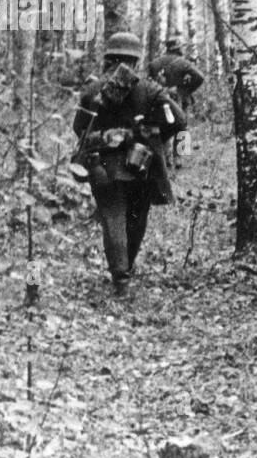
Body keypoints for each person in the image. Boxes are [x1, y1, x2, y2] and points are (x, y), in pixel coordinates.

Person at [74, 32, 186, 297]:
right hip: (141, 164)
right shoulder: (150, 89)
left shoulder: (91, 89)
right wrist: (155, 136)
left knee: (113, 219)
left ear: (108, 56)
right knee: (136, 219)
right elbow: (179, 120)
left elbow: (79, 126)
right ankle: (127, 268)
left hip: (102, 165)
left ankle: (121, 279)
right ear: (136, 59)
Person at [147, 37, 205, 168]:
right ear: (178, 48)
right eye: (182, 47)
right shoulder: (183, 62)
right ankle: (178, 158)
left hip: (159, 99)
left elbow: (148, 82)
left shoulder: (155, 63)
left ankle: (165, 159)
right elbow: (200, 77)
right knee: (182, 125)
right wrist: (184, 90)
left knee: (162, 126)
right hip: (180, 99)